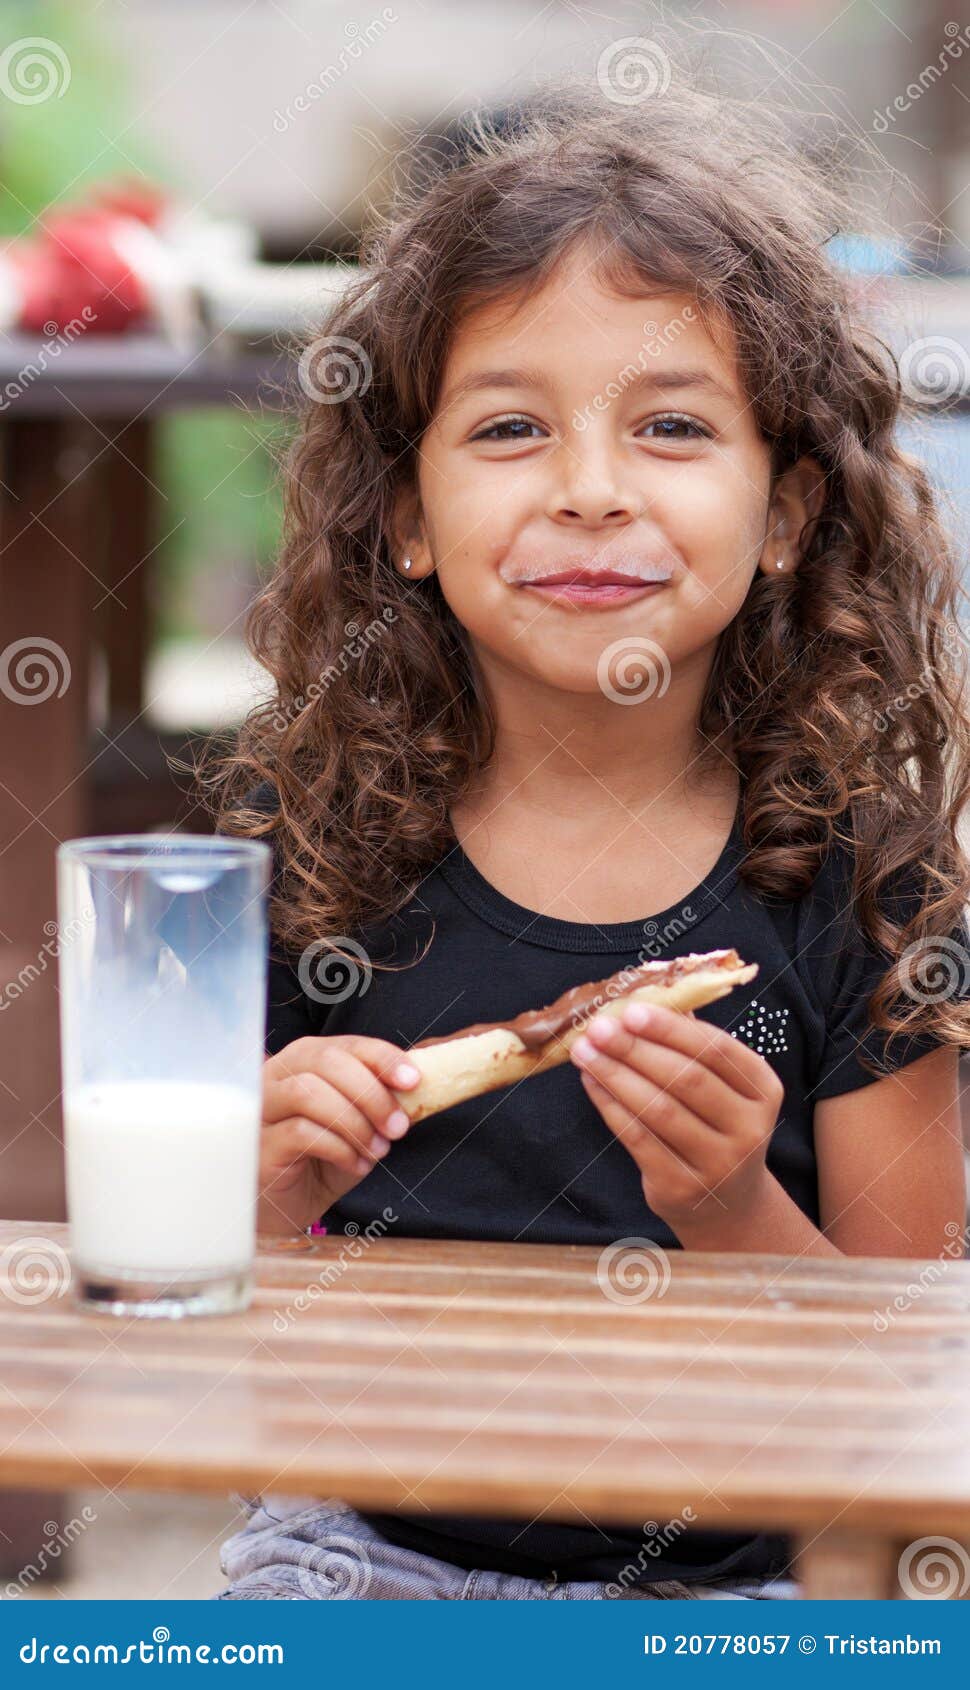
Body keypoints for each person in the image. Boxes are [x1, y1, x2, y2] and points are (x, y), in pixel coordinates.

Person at [205, 67, 970, 1600]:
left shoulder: (866, 882)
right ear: (405, 517)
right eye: (509, 428)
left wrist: (728, 1203)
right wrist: (266, 1186)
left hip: (738, 1586)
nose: (592, 491)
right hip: (360, 1549)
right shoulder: (314, 855)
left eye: (670, 425)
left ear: (784, 515)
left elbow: (914, 1382)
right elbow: (208, 1335)